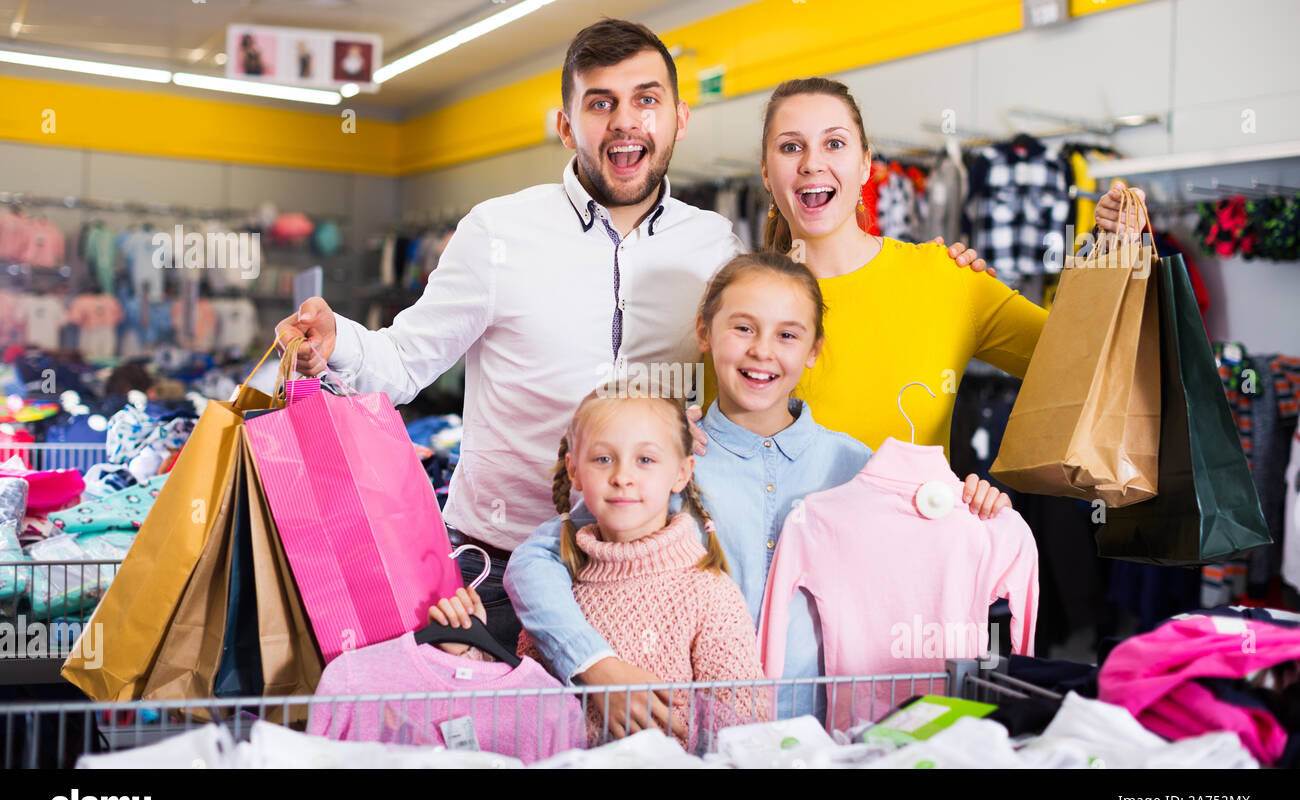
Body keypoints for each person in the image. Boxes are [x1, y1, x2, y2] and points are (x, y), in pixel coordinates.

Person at [273, 19, 988, 654]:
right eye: (600, 102)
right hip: (494, 567)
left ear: (677, 118)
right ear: (566, 124)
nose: (626, 122)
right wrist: (335, 343)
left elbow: (785, 333)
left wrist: (937, 274)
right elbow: (403, 362)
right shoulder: (498, 233)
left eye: (646, 100)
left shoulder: (713, 243)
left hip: (642, 571)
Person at [505, 252, 1014, 730]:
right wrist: (594, 663)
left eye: (788, 335)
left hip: (820, 729)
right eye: (743, 327)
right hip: (684, 733)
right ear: (705, 332)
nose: (762, 351)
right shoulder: (665, 459)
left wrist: (975, 510)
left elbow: (926, 569)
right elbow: (538, 561)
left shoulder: (858, 465)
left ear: (814, 350)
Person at [731, 76, 1147, 455]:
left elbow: (1084, 363)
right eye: (790, 147)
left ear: (864, 165)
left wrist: (1112, 252)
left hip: (915, 538)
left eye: (834, 143)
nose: (811, 163)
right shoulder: (739, 304)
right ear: (766, 173)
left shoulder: (945, 277)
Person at [428, 391, 767, 747]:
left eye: (646, 459)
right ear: (575, 470)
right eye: (603, 458)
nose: (622, 476)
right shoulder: (561, 593)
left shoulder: (709, 595)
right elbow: (528, 708)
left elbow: (744, 734)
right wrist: (470, 651)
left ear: (681, 473)